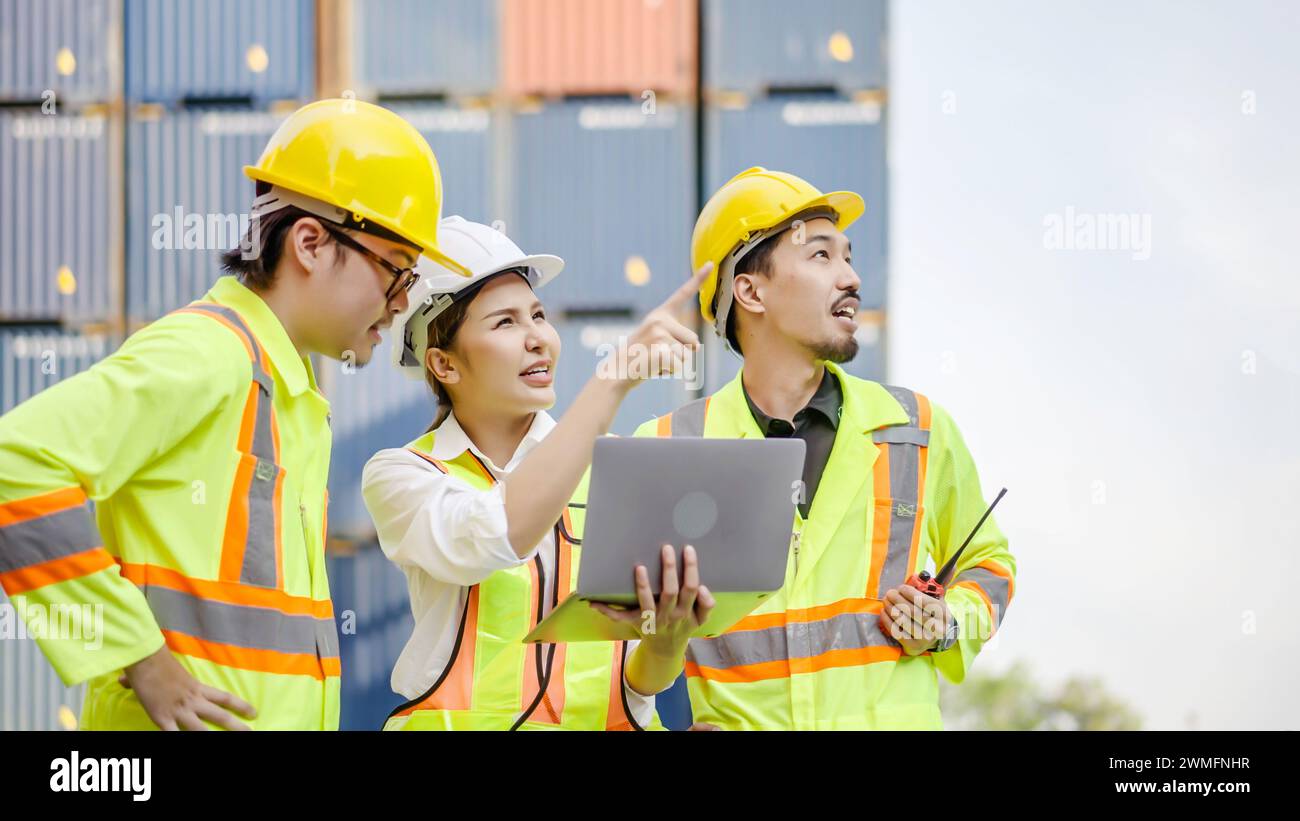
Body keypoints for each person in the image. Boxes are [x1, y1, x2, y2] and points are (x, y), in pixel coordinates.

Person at [0, 99, 467, 729]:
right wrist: (138, 656)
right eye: (396, 271)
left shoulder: (291, 397)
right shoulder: (209, 353)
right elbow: (16, 463)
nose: (403, 302)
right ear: (309, 243)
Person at [634, 167, 1018, 730]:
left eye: (848, 256)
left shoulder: (914, 428)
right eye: (821, 256)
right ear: (749, 289)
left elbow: (992, 568)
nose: (852, 278)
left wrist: (947, 622)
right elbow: (610, 642)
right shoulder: (669, 448)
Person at [364, 217, 716, 730]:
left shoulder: (618, 465)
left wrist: (666, 639)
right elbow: (494, 534)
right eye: (505, 323)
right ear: (443, 365)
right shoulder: (405, 475)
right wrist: (610, 383)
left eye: (537, 315)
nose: (538, 339)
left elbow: (638, 681)